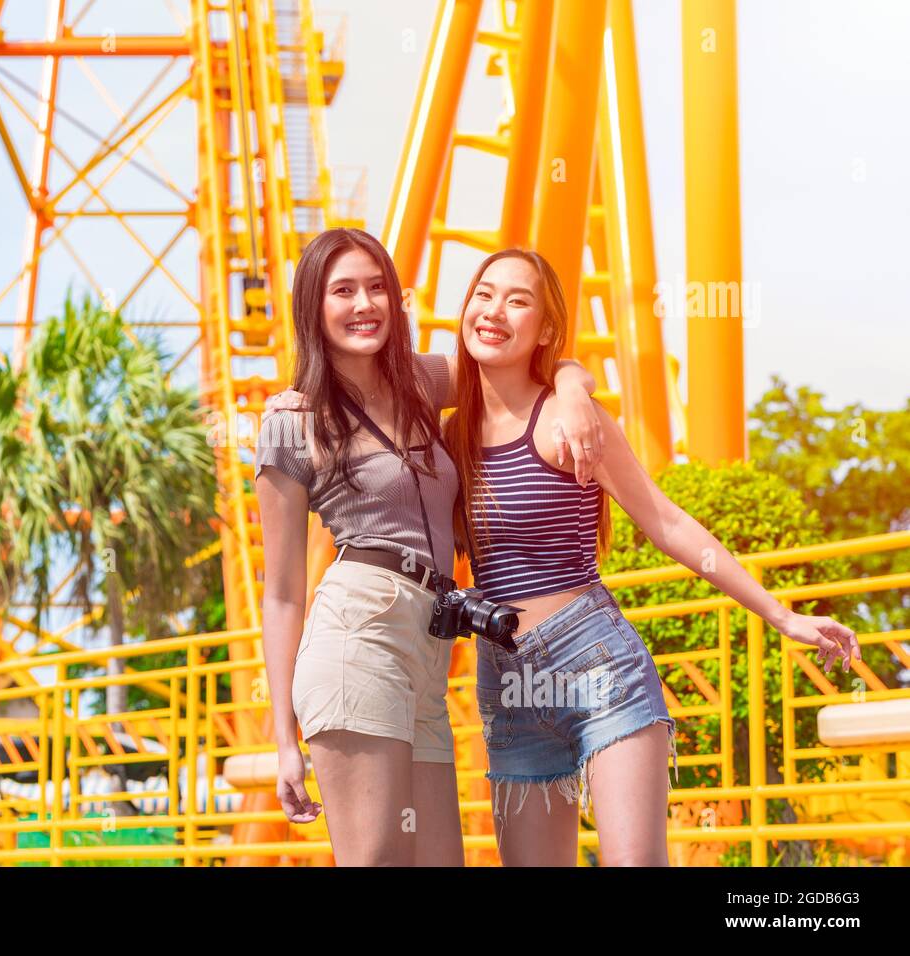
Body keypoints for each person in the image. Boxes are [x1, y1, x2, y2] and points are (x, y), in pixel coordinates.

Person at [442, 248, 860, 866]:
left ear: (545, 328)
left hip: (596, 665)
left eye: (517, 299)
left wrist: (783, 616)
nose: (494, 310)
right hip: (509, 686)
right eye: (484, 292)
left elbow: (666, 521)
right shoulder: (448, 437)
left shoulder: (567, 422)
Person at [254, 228, 603, 865]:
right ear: (314, 306)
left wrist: (574, 389)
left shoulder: (421, 382)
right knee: (380, 857)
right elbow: (279, 594)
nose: (364, 304)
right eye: (343, 291)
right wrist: (283, 738)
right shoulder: (293, 419)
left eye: (376, 286)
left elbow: (532, 362)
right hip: (359, 631)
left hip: (430, 647)